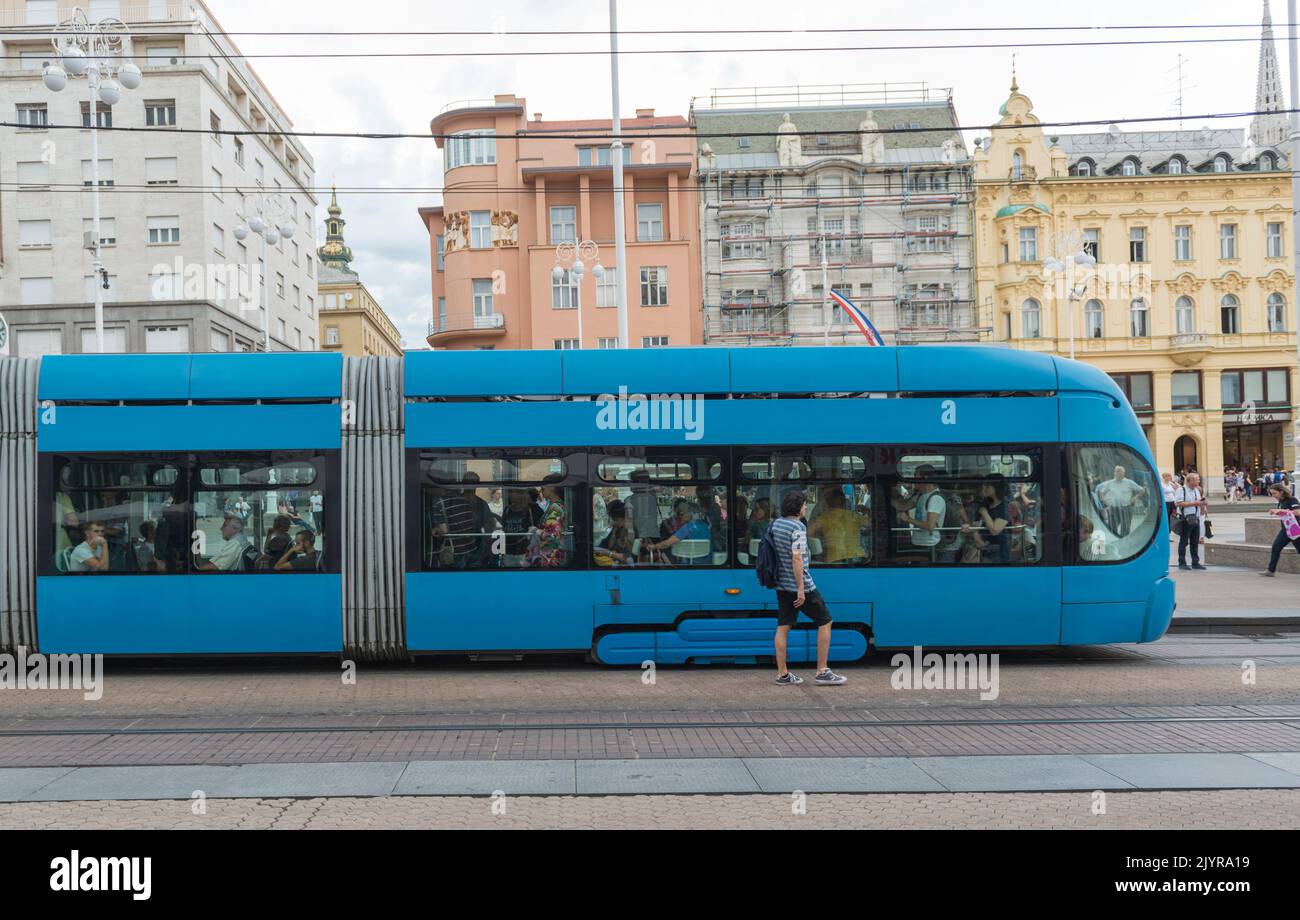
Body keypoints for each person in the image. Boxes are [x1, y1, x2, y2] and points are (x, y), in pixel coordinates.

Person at [769, 490, 846, 686]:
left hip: (781, 584)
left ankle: (782, 674)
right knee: (825, 621)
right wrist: (801, 589)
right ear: (797, 506)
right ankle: (822, 670)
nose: (805, 507)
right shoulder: (798, 527)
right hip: (800, 586)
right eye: (804, 504)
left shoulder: (776, 524)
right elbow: (797, 558)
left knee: (783, 627)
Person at [893, 466, 946, 559]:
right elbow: (902, 506)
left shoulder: (935, 498)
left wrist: (908, 519)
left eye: (915, 475)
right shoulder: (920, 495)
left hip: (929, 544)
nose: (913, 479)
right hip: (918, 542)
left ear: (924, 478)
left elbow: (930, 526)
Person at [807, 488, 867, 564]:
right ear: (843, 503)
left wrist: (819, 535)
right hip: (857, 557)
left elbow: (808, 534)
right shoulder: (853, 516)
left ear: (827, 503)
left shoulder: (824, 518)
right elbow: (871, 524)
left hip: (836, 559)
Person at [645, 499, 711, 564]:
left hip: (687, 565)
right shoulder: (707, 526)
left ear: (689, 514)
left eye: (683, 513)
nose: (681, 516)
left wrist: (654, 546)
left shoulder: (687, 528)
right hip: (706, 565)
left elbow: (667, 543)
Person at [966, 479, 1011, 563]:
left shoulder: (1005, 505)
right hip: (984, 548)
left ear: (996, 487)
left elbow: (995, 530)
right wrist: (974, 533)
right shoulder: (986, 503)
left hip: (998, 551)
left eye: (987, 486)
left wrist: (984, 512)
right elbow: (977, 524)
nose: (984, 488)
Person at [1095, 465, 1146, 539]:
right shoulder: (1110, 483)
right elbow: (1102, 492)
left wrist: (1135, 498)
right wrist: (1105, 500)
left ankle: (1124, 541)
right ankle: (1114, 540)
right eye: (1116, 471)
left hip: (1126, 508)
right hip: (1113, 509)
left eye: (1120, 472)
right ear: (1114, 473)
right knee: (1112, 527)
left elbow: (1142, 490)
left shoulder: (1129, 482)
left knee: (1125, 527)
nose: (1118, 473)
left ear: (1123, 473)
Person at [1261, 483, 1300, 577]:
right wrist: (1276, 512)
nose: (1273, 496)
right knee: (1276, 547)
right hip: (1286, 530)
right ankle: (1271, 570)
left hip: (1295, 529)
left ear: (1281, 492)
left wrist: (1280, 511)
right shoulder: (1280, 502)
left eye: (1275, 493)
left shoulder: (1292, 499)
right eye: (1271, 494)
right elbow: (1286, 514)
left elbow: (1298, 512)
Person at [530, 480, 568, 568]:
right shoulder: (555, 504)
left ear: (552, 487)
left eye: (544, 487)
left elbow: (553, 534)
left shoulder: (555, 507)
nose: (541, 490)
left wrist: (536, 531)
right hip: (552, 553)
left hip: (551, 556)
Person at [499, 489, 541, 566]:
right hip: (508, 550)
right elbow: (504, 527)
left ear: (521, 494)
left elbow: (539, 527)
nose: (510, 495)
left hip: (526, 551)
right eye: (510, 492)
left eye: (512, 492)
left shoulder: (531, 509)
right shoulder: (507, 509)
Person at [1175, 472, 1208, 571]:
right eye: (1197, 479)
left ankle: (1195, 562)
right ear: (1190, 480)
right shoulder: (1181, 490)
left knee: (1195, 542)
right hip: (1186, 519)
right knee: (1184, 542)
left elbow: (1198, 502)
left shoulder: (1197, 490)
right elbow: (1178, 503)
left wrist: (1203, 505)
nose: (1199, 481)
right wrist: (1197, 503)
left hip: (1196, 518)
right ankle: (1182, 563)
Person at [594, 500, 635, 567]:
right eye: (614, 519)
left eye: (616, 519)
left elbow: (629, 558)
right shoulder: (617, 528)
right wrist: (614, 532)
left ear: (624, 518)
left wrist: (608, 554)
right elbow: (610, 547)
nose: (614, 522)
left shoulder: (630, 532)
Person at [1161, 472, 1179, 538]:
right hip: (1166, 502)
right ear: (1164, 477)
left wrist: (1175, 483)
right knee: (1167, 518)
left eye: (1170, 476)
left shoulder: (1170, 484)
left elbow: (1178, 488)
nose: (1169, 477)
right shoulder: (1161, 484)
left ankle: (1170, 532)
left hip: (1172, 502)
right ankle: (1167, 534)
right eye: (1168, 476)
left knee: (1173, 518)